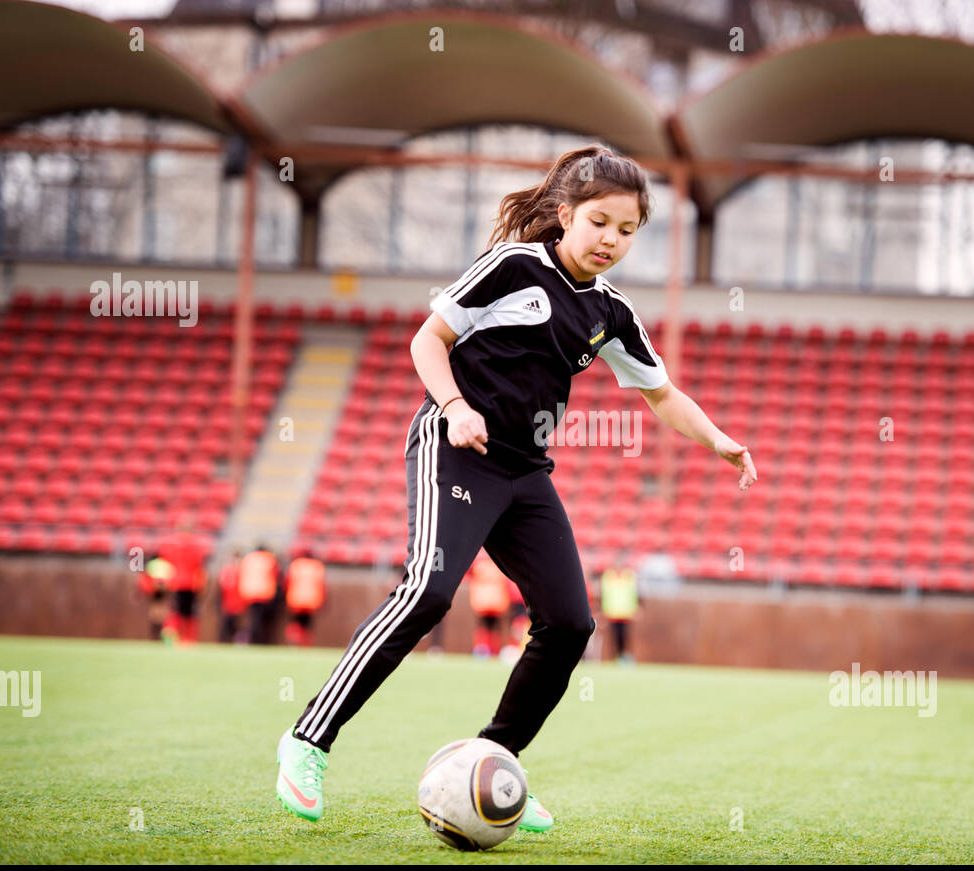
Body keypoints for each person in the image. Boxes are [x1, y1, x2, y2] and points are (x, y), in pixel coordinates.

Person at [275, 144, 757, 833]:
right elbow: (427, 341)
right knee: (429, 591)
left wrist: (719, 441)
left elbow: (663, 393)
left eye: (627, 230)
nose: (612, 241)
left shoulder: (610, 314)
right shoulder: (513, 266)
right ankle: (307, 741)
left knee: (571, 623)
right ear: (565, 215)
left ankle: (494, 761)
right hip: (455, 448)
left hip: (525, 473)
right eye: (600, 223)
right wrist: (453, 406)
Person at [161, 521, 206, 645]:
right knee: (189, 613)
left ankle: (171, 634)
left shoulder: (171, 544)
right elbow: (199, 565)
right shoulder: (195, 544)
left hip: (175, 582)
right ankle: (188, 639)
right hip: (191, 583)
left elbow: (166, 563)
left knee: (176, 611)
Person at [464, 550, 511, 659]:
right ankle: (487, 650)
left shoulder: (480, 565)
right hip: (493, 602)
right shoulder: (498, 566)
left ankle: (484, 650)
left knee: (486, 627)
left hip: (485, 602)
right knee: (491, 627)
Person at [238, 544, 280, 645]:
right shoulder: (269, 559)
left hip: (249, 592)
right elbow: (275, 575)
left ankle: (251, 638)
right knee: (261, 620)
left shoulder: (248, 558)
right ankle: (257, 640)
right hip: (264, 593)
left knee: (253, 618)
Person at [284, 549, 327, 647]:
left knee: (295, 622)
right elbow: (322, 586)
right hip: (312, 600)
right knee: (307, 623)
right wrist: (324, 601)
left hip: (295, 599)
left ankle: (294, 641)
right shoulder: (317, 566)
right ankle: (305, 643)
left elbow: (287, 583)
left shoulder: (295, 565)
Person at [600, 558, 640, 664]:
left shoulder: (629, 576)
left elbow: (634, 593)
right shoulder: (608, 576)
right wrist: (604, 611)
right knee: (615, 636)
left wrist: (635, 609)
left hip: (625, 612)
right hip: (612, 612)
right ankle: (616, 657)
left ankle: (624, 656)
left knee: (624, 636)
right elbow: (605, 595)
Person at [137, 552, 175, 642]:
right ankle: (163, 632)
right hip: (164, 589)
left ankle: (158, 633)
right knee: (163, 612)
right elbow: (171, 577)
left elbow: (145, 578)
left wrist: (143, 591)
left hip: (154, 589)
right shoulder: (166, 564)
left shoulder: (151, 564)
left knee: (155, 611)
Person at [216, 549, 246, 643]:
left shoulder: (242, 570)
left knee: (238, 624)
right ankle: (224, 641)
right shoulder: (226, 570)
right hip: (228, 601)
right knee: (226, 623)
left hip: (240, 602)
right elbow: (221, 587)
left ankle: (238, 641)